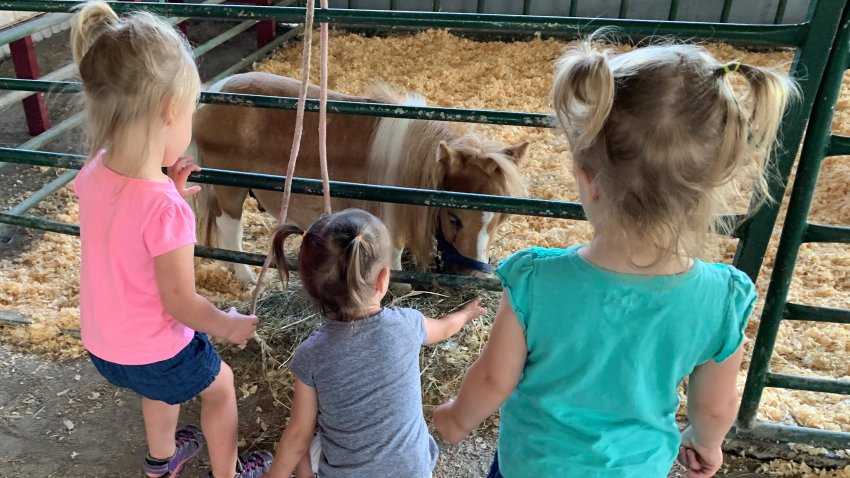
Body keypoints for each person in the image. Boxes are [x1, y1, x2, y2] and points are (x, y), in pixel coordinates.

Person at [433, 38, 797, 478]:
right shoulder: (722, 297)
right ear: (710, 186)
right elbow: (715, 407)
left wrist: (455, 419)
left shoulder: (535, 280)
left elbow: (494, 380)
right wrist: (706, 443)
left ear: (588, 182)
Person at [70, 2, 271, 476]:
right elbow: (181, 303)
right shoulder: (165, 211)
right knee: (219, 386)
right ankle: (229, 472)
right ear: (167, 113)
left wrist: (170, 191)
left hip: (104, 344)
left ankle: (160, 461)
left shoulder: (94, 171)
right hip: (153, 350)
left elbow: (124, 227)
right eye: (190, 114)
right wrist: (228, 323)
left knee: (158, 385)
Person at [263, 209, 485, 478]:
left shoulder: (311, 354)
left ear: (310, 289)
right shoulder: (408, 325)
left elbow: (297, 435)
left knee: (308, 442)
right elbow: (446, 327)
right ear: (382, 279)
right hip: (413, 471)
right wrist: (467, 313)